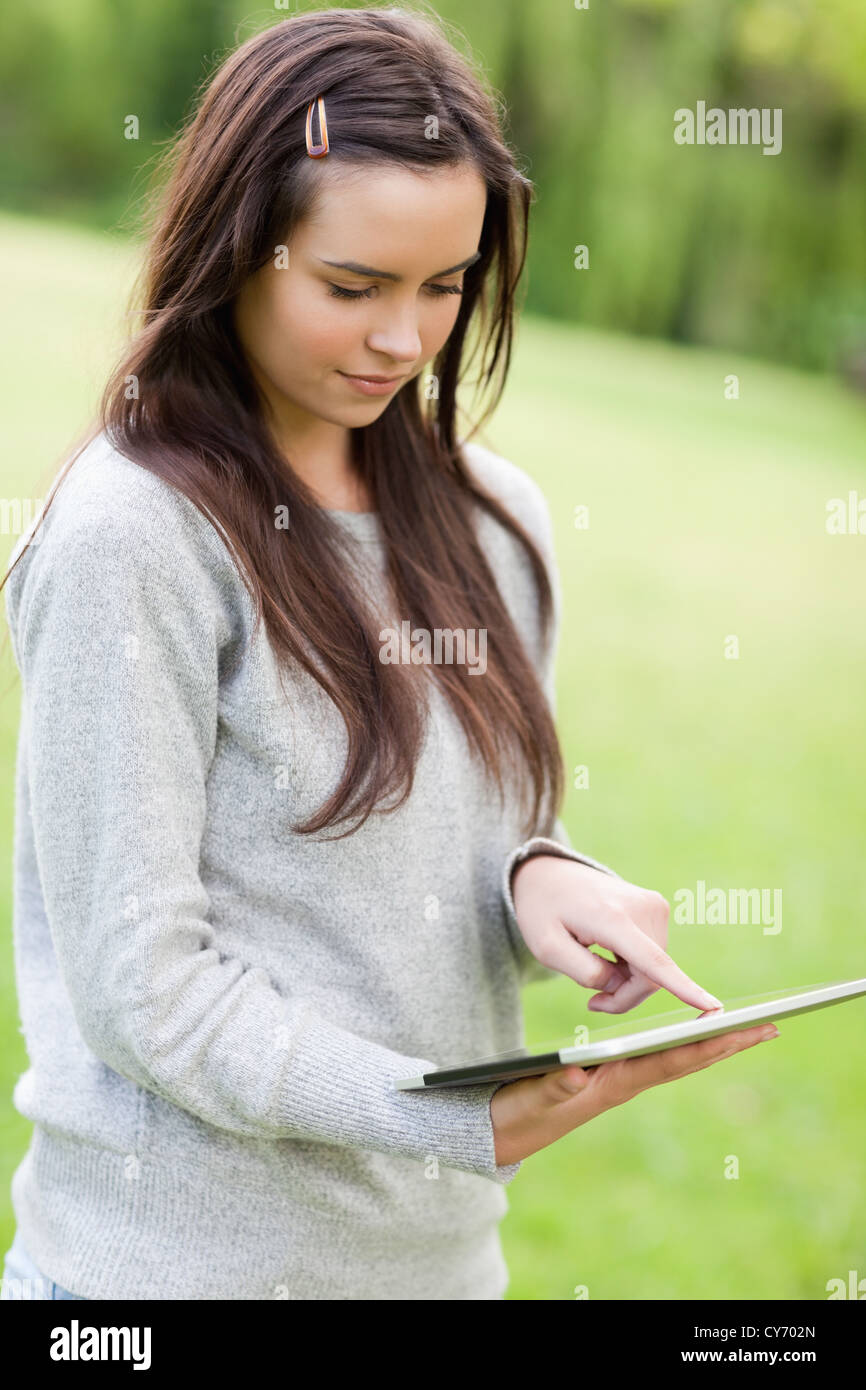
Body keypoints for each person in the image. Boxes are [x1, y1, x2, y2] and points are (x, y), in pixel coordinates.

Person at [0, 7, 777, 1302]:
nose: (401, 342)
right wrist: (446, 1116)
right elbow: (146, 991)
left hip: (438, 1275)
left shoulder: (499, 522)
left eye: (445, 284)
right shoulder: (134, 534)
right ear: (235, 249)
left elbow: (468, 829)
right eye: (350, 286)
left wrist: (542, 878)